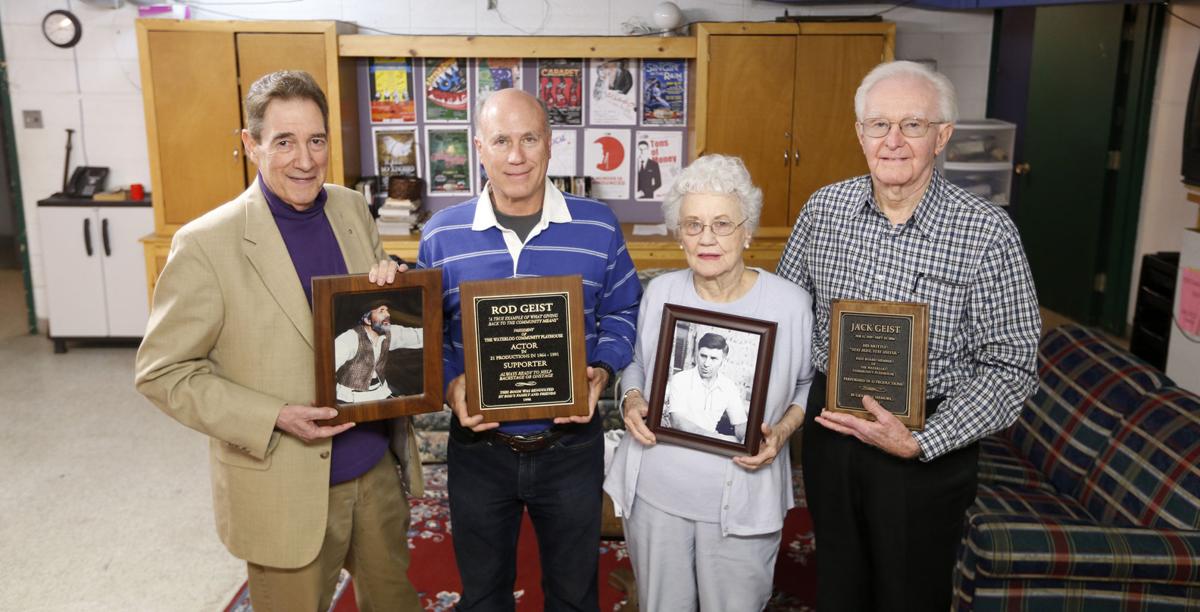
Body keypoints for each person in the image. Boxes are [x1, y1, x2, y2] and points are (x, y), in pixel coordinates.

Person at [134, 70, 423, 612]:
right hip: (283, 485)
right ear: (250, 144)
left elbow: (364, 315)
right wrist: (273, 415)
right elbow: (162, 373)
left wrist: (393, 279)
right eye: (284, 141)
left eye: (316, 140)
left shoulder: (350, 207)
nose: (305, 160)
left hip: (375, 467)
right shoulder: (205, 244)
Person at [776, 60, 1041, 611]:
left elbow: (1013, 365)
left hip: (927, 445)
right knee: (839, 587)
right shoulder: (824, 211)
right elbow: (784, 317)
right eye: (879, 125)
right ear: (860, 133)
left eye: (913, 125)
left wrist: (924, 441)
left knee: (910, 594)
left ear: (942, 136)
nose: (892, 141)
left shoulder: (986, 232)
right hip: (834, 434)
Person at [418, 88, 641, 610]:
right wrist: (452, 383)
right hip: (479, 451)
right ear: (479, 148)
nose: (516, 156)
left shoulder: (598, 225)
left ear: (550, 144)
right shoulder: (441, 235)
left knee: (573, 594)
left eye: (529, 139)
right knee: (484, 595)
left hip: (569, 447)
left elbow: (624, 311)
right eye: (501, 140)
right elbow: (429, 334)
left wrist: (602, 372)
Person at [604, 154, 815, 611]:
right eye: (693, 224)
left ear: (747, 230)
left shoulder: (790, 304)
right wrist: (633, 398)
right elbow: (637, 364)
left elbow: (805, 385)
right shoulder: (661, 292)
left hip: (744, 495)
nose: (707, 238)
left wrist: (781, 431)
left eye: (722, 224)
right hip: (658, 492)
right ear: (678, 233)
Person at [662, 332, 747, 442]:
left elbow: (740, 425)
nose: (706, 363)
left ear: (723, 360)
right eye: (703, 356)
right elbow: (678, 422)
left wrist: (745, 441)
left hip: (709, 445)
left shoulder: (729, 386)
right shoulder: (681, 379)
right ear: (697, 354)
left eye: (713, 358)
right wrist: (719, 438)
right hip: (680, 441)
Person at [334, 301, 423, 404]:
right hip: (351, 398)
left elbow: (418, 336)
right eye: (381, 311)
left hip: (380, 393)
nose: (388, 314)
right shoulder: (350, 338)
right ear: (367, 320)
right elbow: (327, 368)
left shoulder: (390, 333)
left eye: (387, 310)